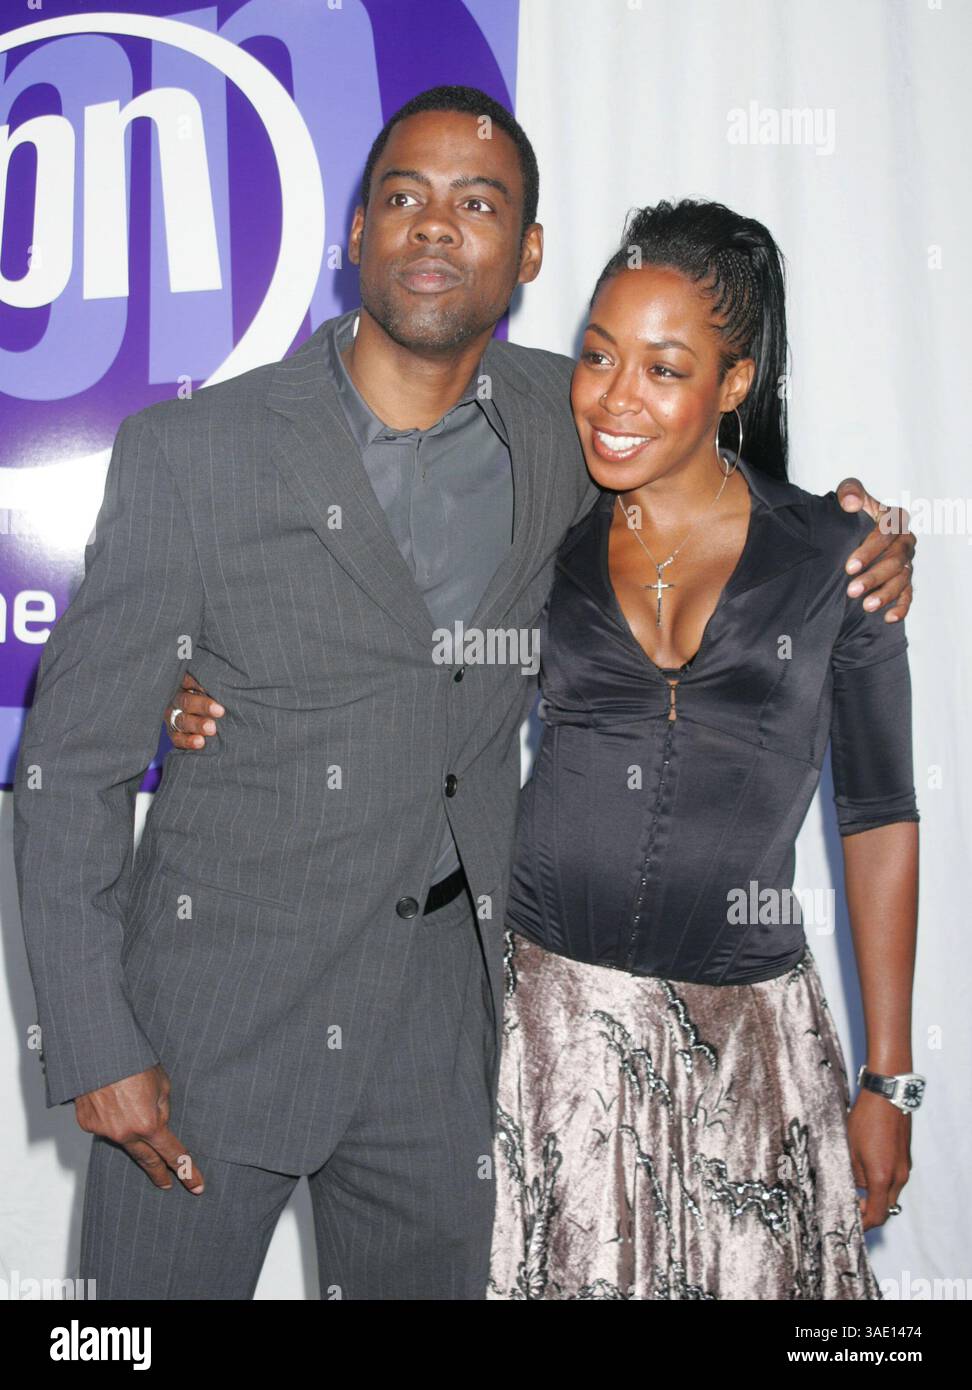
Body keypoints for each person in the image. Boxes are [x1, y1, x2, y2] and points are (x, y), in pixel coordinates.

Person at [14, 84, 915, 1302]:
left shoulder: (577, 418)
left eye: (477, 202)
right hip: (206, 1022)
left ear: (529, 252)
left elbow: (710, 472)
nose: (436, 226)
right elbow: (69, 767)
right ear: (354, 233)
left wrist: (854, 528)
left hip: (453, 1042)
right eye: (405, 197)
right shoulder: (198, 453)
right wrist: (97, 1043)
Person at [483, 200, 921, 1301]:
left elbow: (878, 815)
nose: (613, 397)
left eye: (663, 369)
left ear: (733, 384)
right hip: (545, 1038)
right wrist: (203, 690)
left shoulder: (836, 556)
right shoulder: (545, 537)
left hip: (749, 1052)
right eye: (596, 355)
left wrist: (891, 1078)